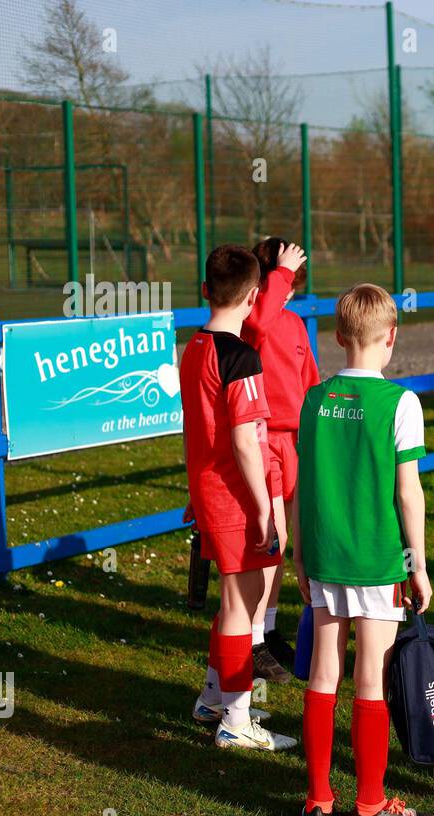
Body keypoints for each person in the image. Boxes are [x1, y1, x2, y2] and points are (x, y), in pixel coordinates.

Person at [293, 282, 434, 816]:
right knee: (369, 678)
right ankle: (371, 807)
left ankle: (317, 802)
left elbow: (302, 485)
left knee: (323, 673)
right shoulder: (400, 402)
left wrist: (299, 556)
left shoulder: (315, 399)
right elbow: (408, 493)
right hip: (378, 559)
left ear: (337, 336)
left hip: (326, 555)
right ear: (391, 339)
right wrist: (418, 564)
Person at [181, 244, 296, 752]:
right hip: (234, 495)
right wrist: (263, 507)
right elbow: (246, 442)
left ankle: (213, 698)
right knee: (240, 605)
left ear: (206, 290)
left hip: (210, 489)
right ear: (254, 296)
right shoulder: (240, 356)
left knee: (235, 602)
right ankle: (235, 719)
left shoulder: (195, 347)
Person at [240, 237, 318, 682]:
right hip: (264, 438)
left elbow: (310, 381)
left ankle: (267, 632)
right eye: (282, 282)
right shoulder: (257, 320)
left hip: (296, 443)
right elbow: (259, 321)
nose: (288, 291)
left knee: (293, 541)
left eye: (292, 285)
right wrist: (278, 274)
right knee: (273, 537)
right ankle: (250, 640)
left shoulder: (293, 323)